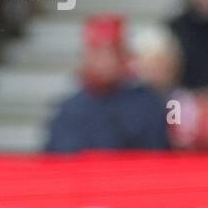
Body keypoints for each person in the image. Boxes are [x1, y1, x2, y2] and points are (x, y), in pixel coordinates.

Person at [44, 15, 169, 153]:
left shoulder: (147, 105)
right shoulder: (68, 109)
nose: (98, 61)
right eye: (93, 51)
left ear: (123, 57)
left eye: (107, 52)